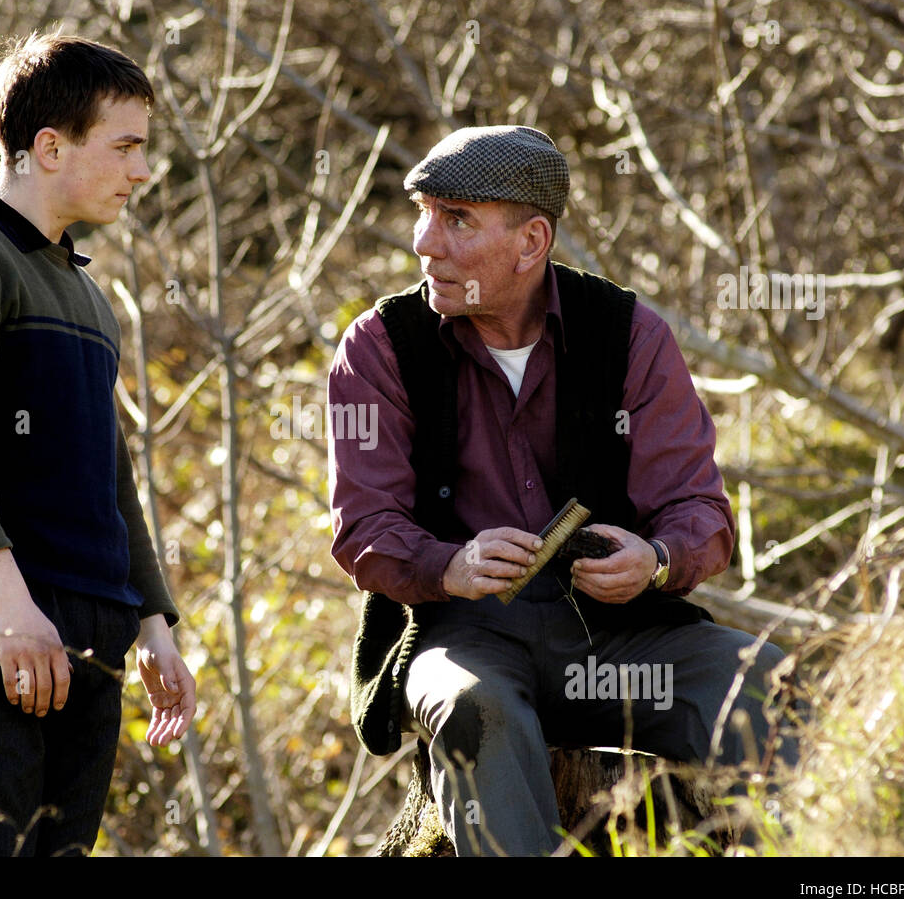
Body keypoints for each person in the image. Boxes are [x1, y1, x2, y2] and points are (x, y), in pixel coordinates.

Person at [327, 125, 797, 856]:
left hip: (616, 640)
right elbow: (365, 527)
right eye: (422, 212)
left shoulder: (630, 335)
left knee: (770, 683)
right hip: (463, 638)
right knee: (475, 713)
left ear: (531, 240)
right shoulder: (378, 346)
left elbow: (698, 508)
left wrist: (657, 558)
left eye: (456, 218)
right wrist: (446, 566)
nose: (425, 242)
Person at [0, 32, 196, 857]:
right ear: (49, 147)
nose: (140, 171)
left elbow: (109, 472)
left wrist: (154, 617)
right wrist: (9, 606)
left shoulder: (89, 296)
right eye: (125, 147)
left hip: (90, 628)